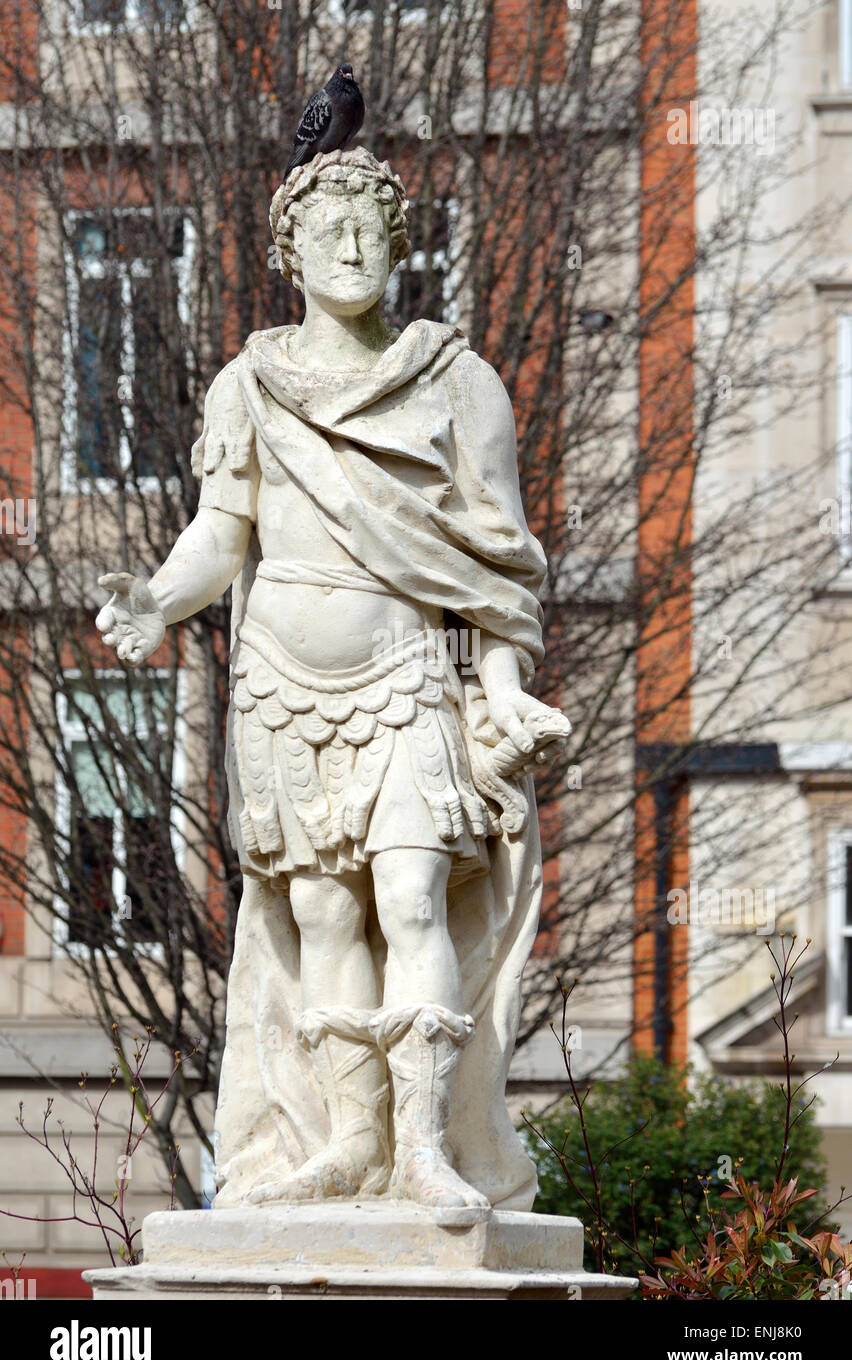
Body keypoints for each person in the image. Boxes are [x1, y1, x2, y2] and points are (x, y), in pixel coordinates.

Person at [96, 148, 570, 1217]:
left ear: (400, 246)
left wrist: (499, 690)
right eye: (328, 231)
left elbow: (494, 572)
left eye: (370, 230)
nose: (350, 247)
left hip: (405, 676)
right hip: (277, 680)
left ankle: (423, 1150)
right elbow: (223, 533)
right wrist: (161, 599)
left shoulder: (458, 382)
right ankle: (348, 1144)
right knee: (319, 911)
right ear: (289, 252)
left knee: (408, 898)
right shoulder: (246, 386)